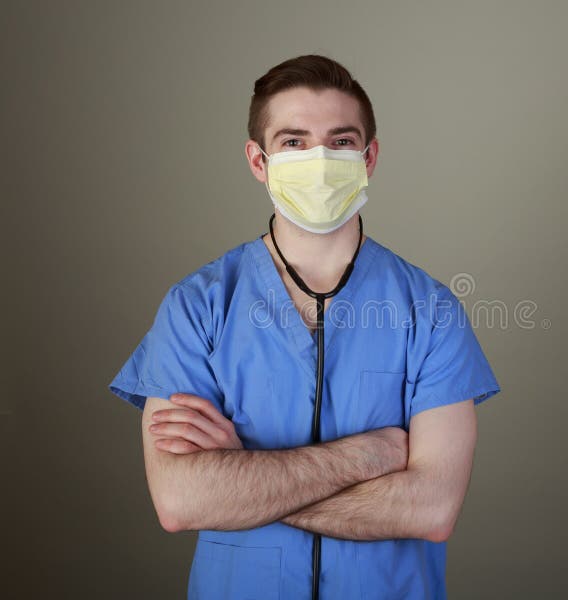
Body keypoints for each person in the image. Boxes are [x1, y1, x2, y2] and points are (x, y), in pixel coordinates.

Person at [109, 54, 501, 600]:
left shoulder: (430, 311)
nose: (318, 161)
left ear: (370, 158)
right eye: (293, 142)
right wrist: (369, 456)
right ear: (258, 160)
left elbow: (431, 509)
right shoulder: (196, 308)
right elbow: (180, 502)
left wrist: (243, 479)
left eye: (340, 142)